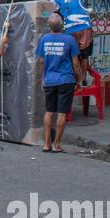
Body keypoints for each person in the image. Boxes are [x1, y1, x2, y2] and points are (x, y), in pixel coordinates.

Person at [35, 12, 82, 153]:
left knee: (49, 111)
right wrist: (79, 79)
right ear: (62, 26)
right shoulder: (70, 40)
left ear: (49, 26)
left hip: (49, 80)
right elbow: (76, 63)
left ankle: (46, 144)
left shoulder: (44, 39)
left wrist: (43, 78)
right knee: (62, 113)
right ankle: (56, 145)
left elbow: (41, 61)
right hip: (66, 80)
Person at [47, 0, 93, 83]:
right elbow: (51, 14)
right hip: (69, 30)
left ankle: (83, 80)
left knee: (85, 55)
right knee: (74, 55)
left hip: (84, 26)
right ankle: (76, 80)